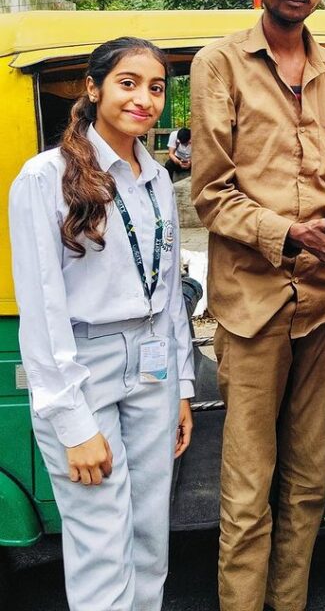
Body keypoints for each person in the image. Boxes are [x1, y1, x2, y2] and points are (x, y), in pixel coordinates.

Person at [189, 0, 325, 611]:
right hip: (253, 305)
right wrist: (292, 234)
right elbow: (211, 196)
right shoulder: (220, 63)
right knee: (246, 490)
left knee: (307, 481)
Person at [9, 37, 195, 611]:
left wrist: (182, 388)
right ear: (93, 89)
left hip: (152, 368)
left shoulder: (156, 178)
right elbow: (41, 310)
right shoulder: (45, 178)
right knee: (100, 545)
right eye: (128, 82)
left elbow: (166, 294)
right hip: (83, 369)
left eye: (156, 87)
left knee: (148, 539)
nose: (144, 98)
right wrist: (70, 420)